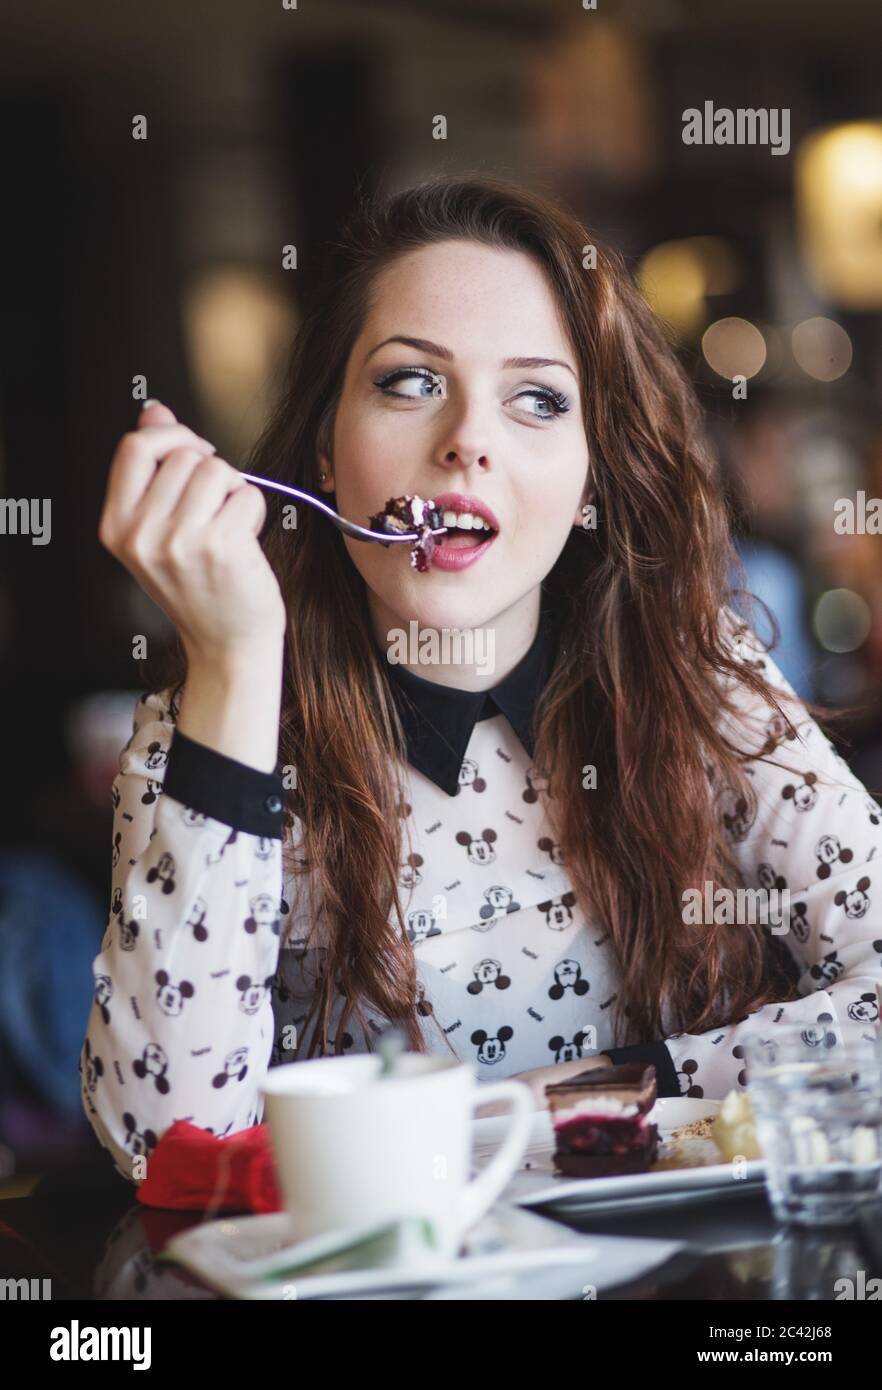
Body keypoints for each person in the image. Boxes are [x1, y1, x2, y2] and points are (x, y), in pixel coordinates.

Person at [82, 176, 882, 1182]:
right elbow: (168, 1149)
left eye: (537, 399)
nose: (468, 439)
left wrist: (567, 1097)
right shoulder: (207, 729)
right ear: (326, 448)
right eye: (411, 382)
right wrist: (240, 660)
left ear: (591, 474)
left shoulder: (703, 686)